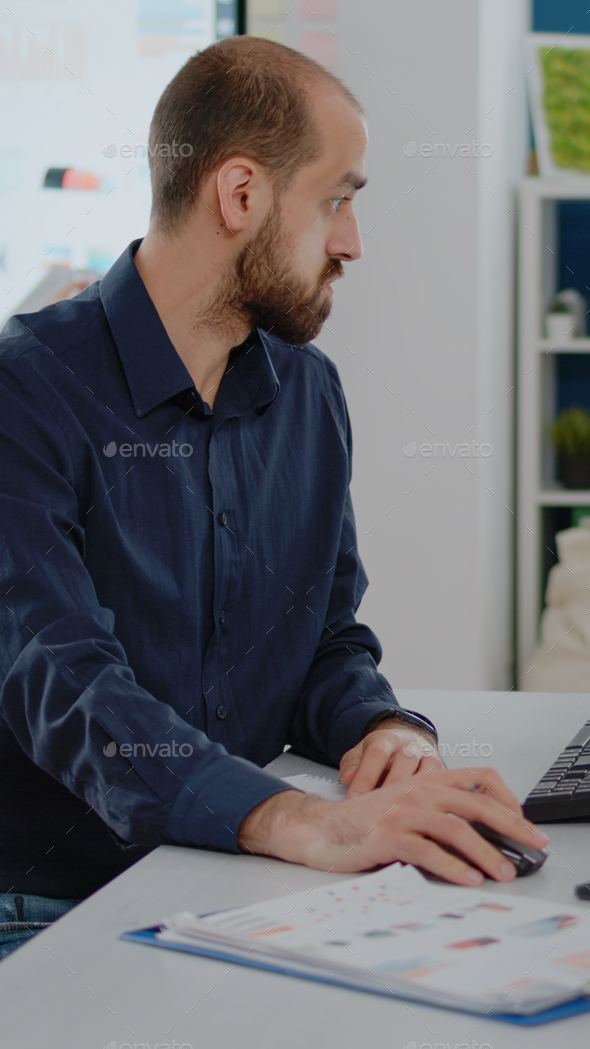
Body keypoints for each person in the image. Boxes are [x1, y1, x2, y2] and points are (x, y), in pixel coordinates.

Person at [0, 36, 547, 959]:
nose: (352, 242)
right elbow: (66, 681)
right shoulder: (28, 391)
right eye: (337, 199)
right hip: (57, 907)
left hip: (238, 885)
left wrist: (382, 726)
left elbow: (324, 638)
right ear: (240, 193)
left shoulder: (307, 393)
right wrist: (300, 822)